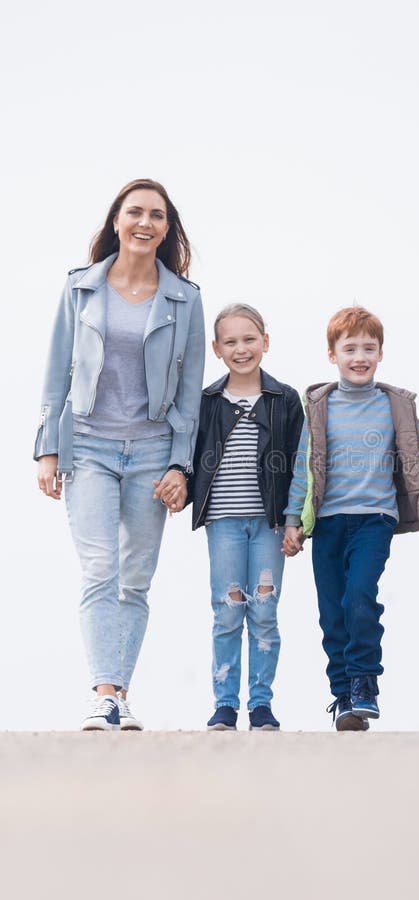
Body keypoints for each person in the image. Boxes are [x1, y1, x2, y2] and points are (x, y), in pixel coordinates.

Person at [35, 178, 205, 731]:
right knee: (100, 569)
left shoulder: (185, 298)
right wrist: (47, 449)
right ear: (116, 220)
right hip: (87, 445)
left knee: (135, 576)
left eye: (157, 215)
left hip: (153, 451)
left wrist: (182, 465)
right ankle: (103, 694)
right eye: (135, 212)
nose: (145, 223)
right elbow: (58, 368)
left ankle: (120, 694)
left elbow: (189, 394)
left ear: (166, 228)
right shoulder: (81, 288)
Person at [283, 306, 419, 730]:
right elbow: (303, 468)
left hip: (375, 520)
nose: (360, 357)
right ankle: (342, 698)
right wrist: (292, 521)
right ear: (331, 354)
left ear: (381, 354)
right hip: (329, 523)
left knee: (359, 596)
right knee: (331, 613)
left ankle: (364, 683)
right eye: (349, 348)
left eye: (368, 348)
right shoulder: (318, 407)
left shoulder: (395, 406)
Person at [189, 304, 303, 731]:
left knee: (265, 609)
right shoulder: (208, 401)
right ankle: (223, 704)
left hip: (271, 523)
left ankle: (260, 704)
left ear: (266, 342)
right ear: (217, 349)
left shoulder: (284, 399)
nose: (241, 349)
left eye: (249, 339)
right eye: (231, 342)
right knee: (228, 609)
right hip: (223, 521)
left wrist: (294, 519)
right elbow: (191, 453)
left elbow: (299, 462)